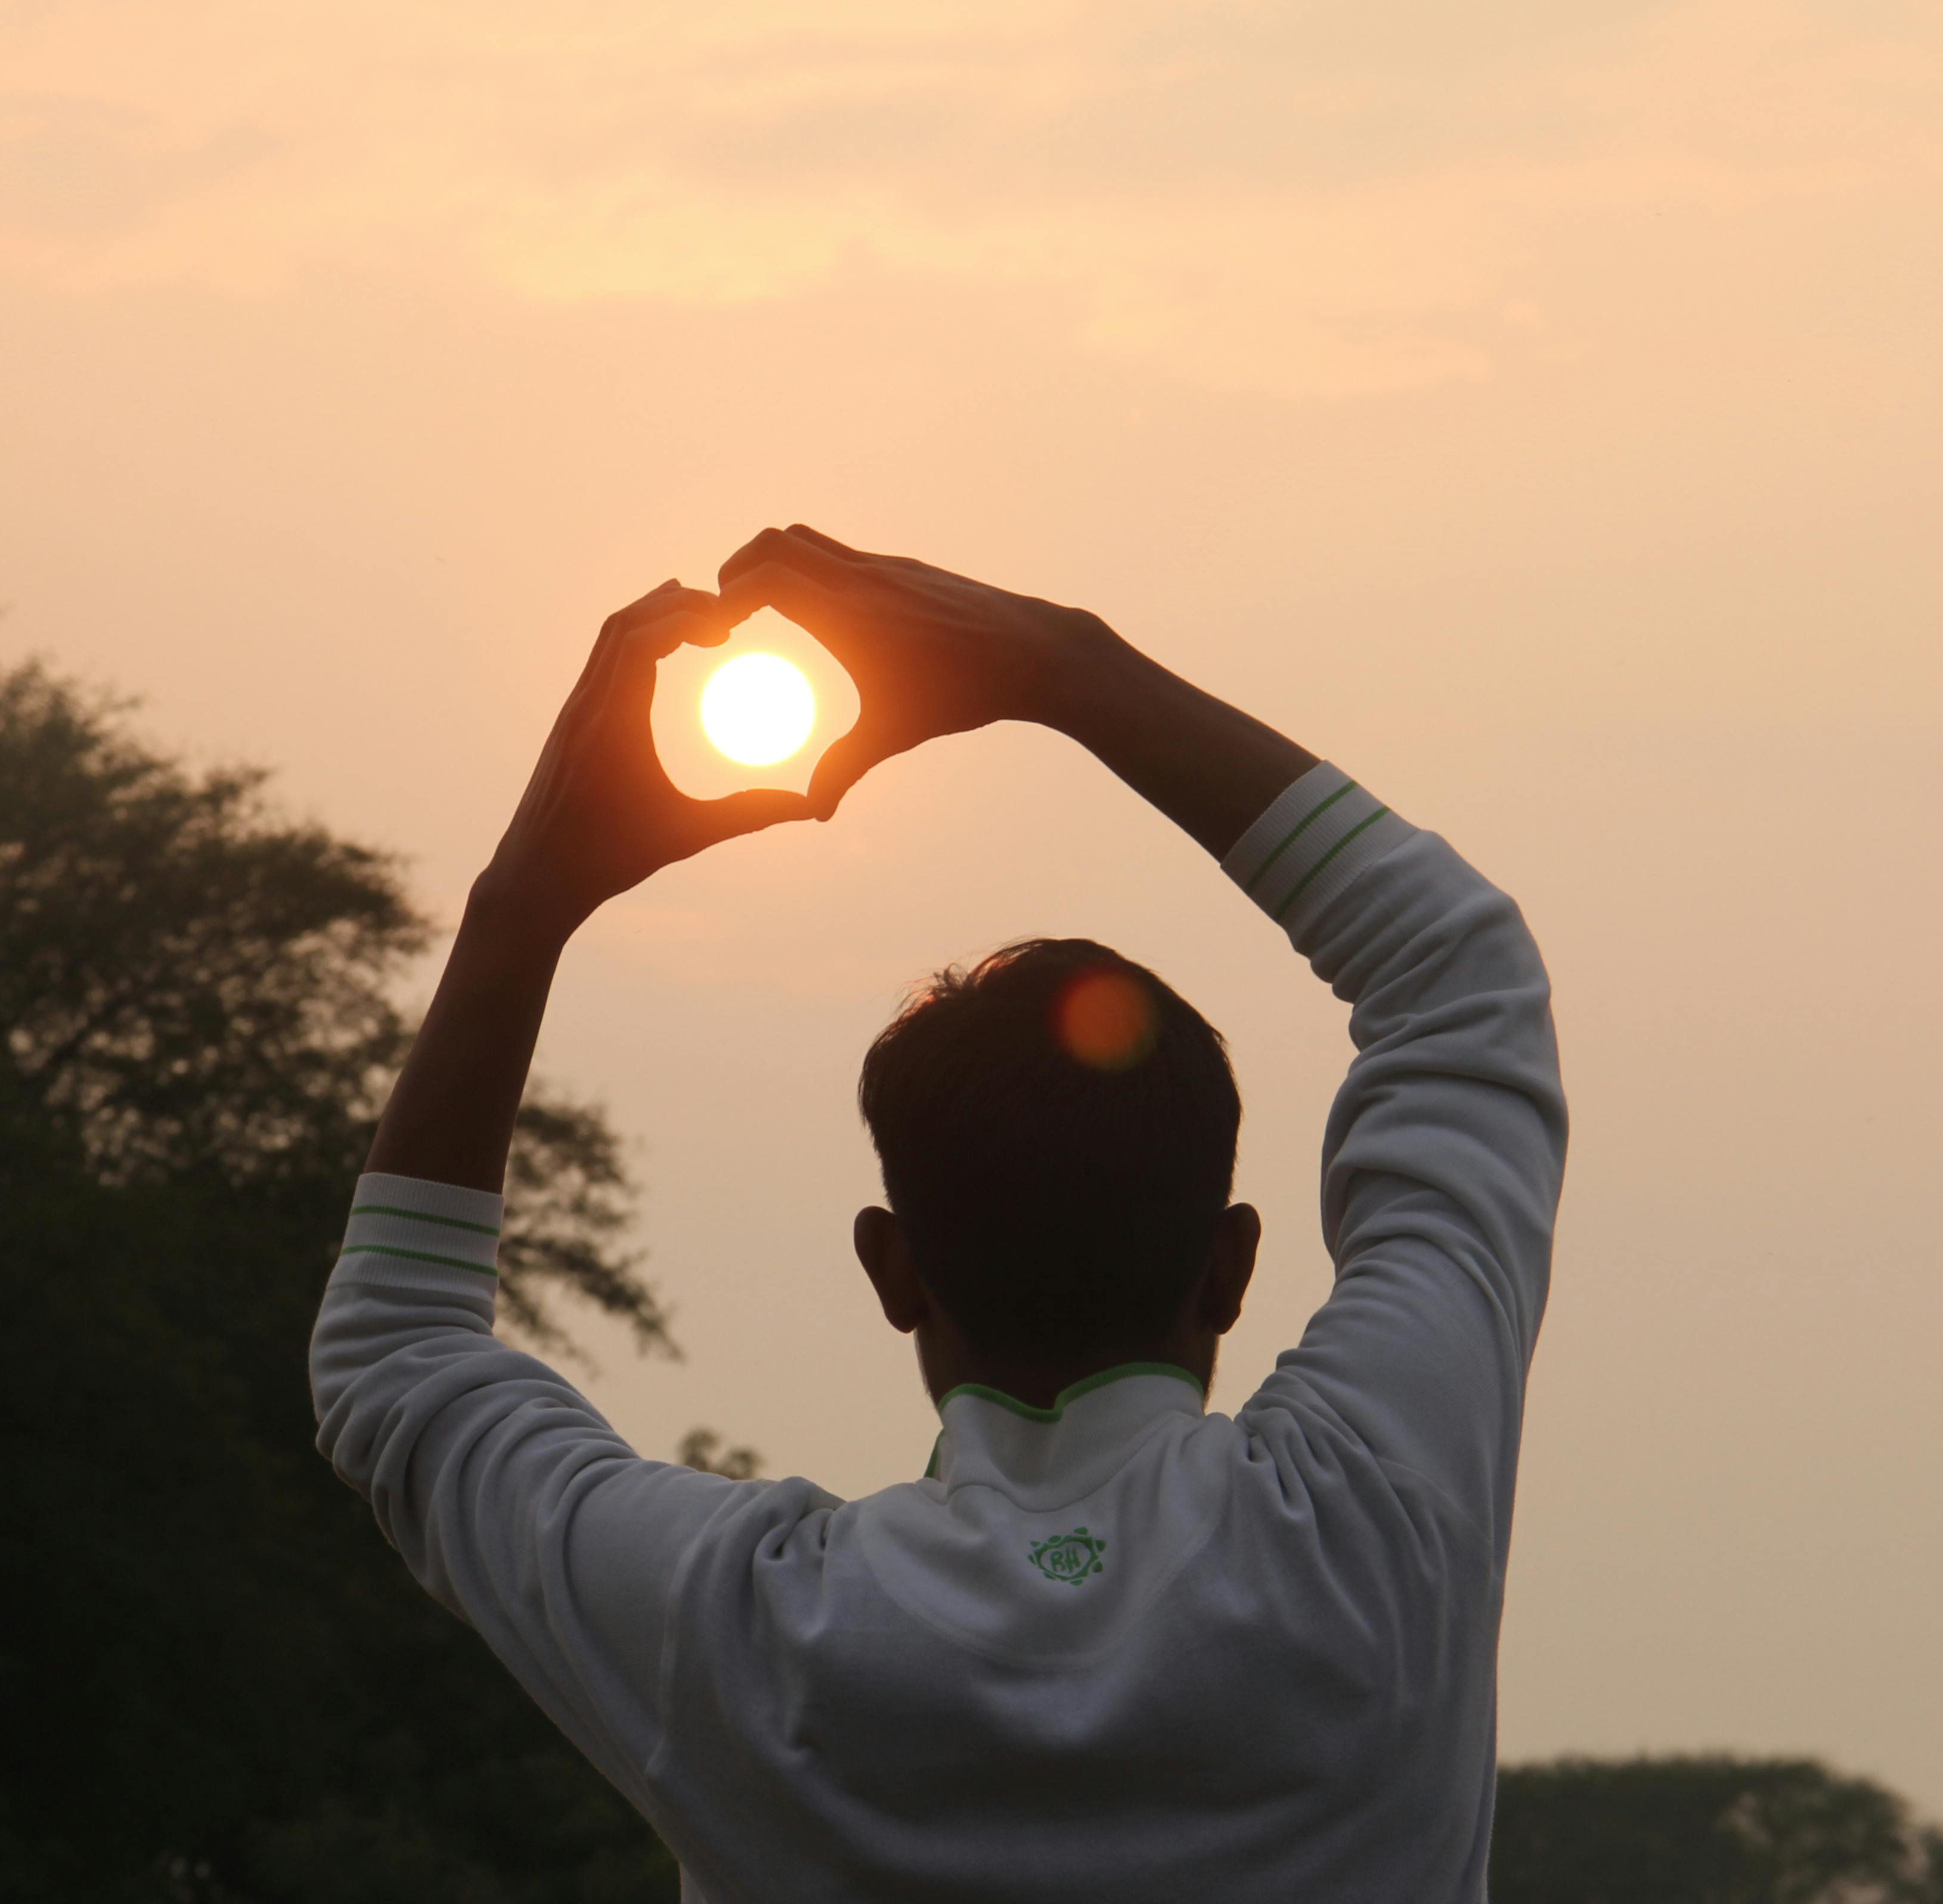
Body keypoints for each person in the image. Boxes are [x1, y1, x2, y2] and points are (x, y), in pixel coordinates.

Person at [312, 526, 1568, 1902]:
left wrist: (526, 904)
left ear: (892, 1268)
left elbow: (395, 1357)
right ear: (1231, 1263)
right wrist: (1067, 669)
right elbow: (1458, 972)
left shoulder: (749, 1631)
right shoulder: (1366, 1528)